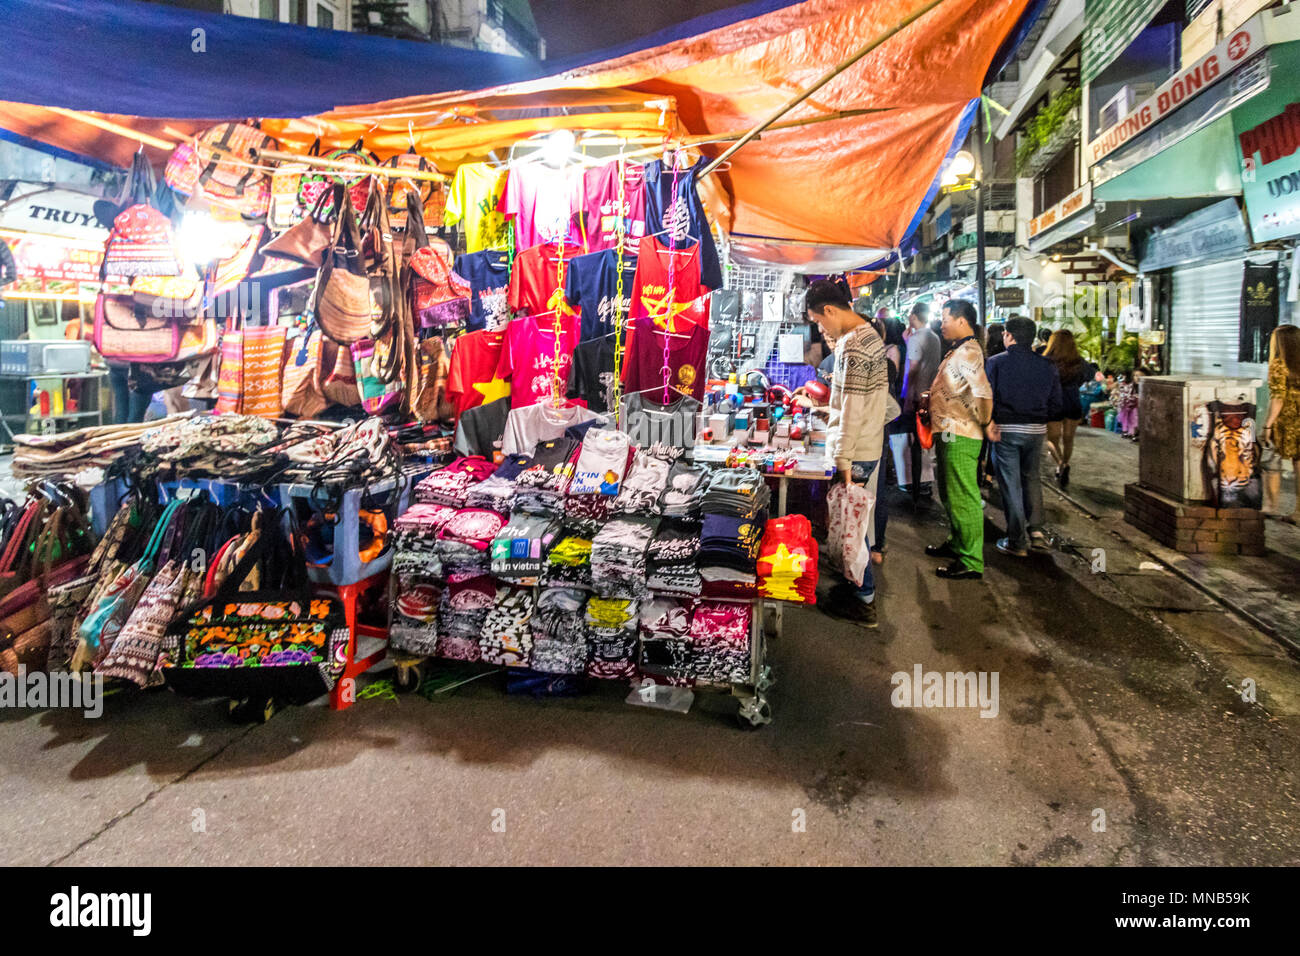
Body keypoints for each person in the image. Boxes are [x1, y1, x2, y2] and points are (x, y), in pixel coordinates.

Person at [805, 278, 889, 625]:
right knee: (857, 525)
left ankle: (864, 600)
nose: (821, 328)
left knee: (853, 527)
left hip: (857, 451)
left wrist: (842, 460)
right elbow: (857, 402)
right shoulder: (867, 335)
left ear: (829, 310)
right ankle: (857, 589)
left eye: (819, 321)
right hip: (866, 443)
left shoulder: (855, 346)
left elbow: (853, 408)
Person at [925, 299, 994, 579]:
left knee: (962, 496)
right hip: (950, 431)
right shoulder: (960, 350)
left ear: (962, 321)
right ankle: (957, 543)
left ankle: (970, 560)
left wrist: (987, 422)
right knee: (950, 494)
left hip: (960, 434)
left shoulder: (967, 352)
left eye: (945, 319)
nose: (941, 325)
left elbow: (984, 394)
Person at [985, 316, 1062, 556]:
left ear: (1008, 336)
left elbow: (987, 397)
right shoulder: (1047, 365)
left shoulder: (996, 363)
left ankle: (1017, 541)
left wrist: (990, 421)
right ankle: (1037, 533)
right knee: (1032, 479)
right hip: (1036, 430)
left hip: (1006, 429)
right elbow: (1056, 402)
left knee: (1011, 484)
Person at [895, 301, 940, 499]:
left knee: (915, 442)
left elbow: (912, 370)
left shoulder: (917, 339)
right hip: (931, 394)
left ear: (914, 316)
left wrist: (906, 395)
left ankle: (915, 485)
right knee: (926, 440)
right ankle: (925, 483)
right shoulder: (933, 337)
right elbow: (908, 339)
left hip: (916, 397)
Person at [872, 316, 907, 564]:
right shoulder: (886, 360)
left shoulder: (882, 363)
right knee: (878, 486)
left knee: (876, 487)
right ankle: (876, 543)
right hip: (877, 431)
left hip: (873, 433)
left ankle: (874, 544)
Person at [1263, 325, 1300, 524]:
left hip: (1289, 420)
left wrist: (1267, 425)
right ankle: (1298, 512)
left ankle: (1270, 506)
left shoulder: (1279, 363)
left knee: (1272, 459)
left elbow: (1278, 397)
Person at [1044, 329, 1088, 489]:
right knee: (1069, 438)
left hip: (1053, 403)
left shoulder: (1046, 361)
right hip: (1072, 400)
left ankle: (1060, 463)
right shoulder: (1079, 362)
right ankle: (1065, 463)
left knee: (1052, 439)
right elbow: (1085, 379)